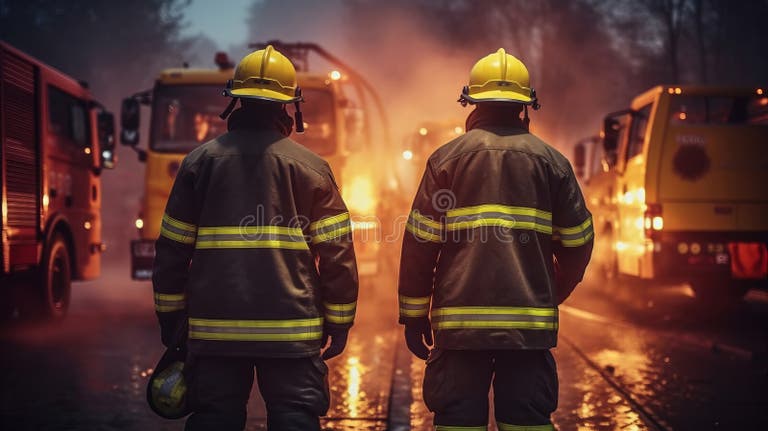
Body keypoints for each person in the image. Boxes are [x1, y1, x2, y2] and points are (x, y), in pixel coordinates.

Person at [152, 45, 359, 431]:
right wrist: (339, 322)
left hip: (214, 332)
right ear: (289, 107)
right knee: (295, 417)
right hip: (293, 334)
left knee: (214, 417)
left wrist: (171, 319)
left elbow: (171, 252)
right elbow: (338, 255)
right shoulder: (313, 169)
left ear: (235, 101)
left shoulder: (199, 164)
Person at [397, 48, 593, 430]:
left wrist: (414, 315)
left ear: (470, 103)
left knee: (457, 422)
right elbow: (579, 241)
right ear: (526, 107)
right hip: (527, 331)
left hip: (458, 331)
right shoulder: (552, 163)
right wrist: (551, 290)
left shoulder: (446, 160)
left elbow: (420, 244)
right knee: (526, 422)